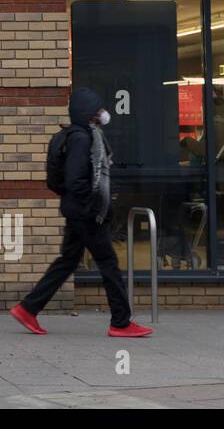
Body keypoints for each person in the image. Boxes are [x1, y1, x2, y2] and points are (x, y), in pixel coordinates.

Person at [10, 87, 154, 338]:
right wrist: (93, 206)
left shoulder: (84, 135)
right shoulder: (82, 138)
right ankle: (120, 322)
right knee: (108, 263)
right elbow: (76, 178)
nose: (103, 113)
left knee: (67, 261)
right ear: (88, 112)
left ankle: (28, 308)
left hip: (78, 211)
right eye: (98, 109)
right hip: (86, 214)